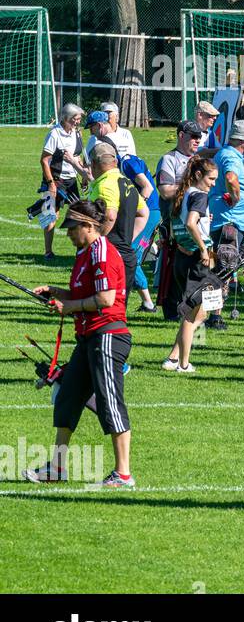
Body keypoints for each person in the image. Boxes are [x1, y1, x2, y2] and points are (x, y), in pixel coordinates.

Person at [25, 200, 134, 487]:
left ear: (88, 225)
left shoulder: (101, 253)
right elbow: (82, 294)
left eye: (73, 228)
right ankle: (57, 468)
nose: (69, 233)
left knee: (110, 403)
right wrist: (55, 291)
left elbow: (105, 300)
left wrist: (69, 307)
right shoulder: (85, 253)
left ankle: (123, 473)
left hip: (108, 335)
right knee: (67, 398)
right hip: (88, 337)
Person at [163, 158, 219, 374]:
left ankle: (173, 357)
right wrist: (204, 248)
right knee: (192, 315)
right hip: (197, 259)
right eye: (211, 179)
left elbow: (181, 223)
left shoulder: (184, 193)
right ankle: (183, 364)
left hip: (182, 258)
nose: (213, 183)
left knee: (200, 313)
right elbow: (190, 223)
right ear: (198, 176)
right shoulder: (199, 195)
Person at [205, 119, 244, 331]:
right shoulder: (230, 156)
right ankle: (214, 316)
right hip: (230, 221)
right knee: (224, 267)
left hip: (230, 220)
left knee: (222, 266)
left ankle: (212, 314)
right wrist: (235, 198)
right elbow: (231, 178)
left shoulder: (228, 154)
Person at [87, 144, 145, 306]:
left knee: (105, 308)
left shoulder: (105, 184)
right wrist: (128, 239)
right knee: (119, 308)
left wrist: (95, 242)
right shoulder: (126, 182)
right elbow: (143, 213)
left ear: (94, 164)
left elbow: (110, 216)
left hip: (109, 257)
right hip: (126, 254)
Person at [155, 121, 202, 320]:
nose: (197, 140)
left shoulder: (199, 159)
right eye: (193, 136)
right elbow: (165, 191)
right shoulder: (169, 159)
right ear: (181, 135)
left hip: (195, 225)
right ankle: (172, 310)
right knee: (172, 269)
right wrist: (190, 187)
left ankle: (193, 310)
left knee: (196, 269)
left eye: (199, 136)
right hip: (174, 225)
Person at [37, 103, 92, 258]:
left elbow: (77, 157)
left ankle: (80, 250)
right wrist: (50, 183)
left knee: (79, 213)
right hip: (55, 179)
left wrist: (83, 176)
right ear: (67, 118)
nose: (78, 121)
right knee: (50, 215)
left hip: (71, 180)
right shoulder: (54, 134)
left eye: (79, 118)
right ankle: (48, 252)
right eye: (76, 118)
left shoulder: (77, 133)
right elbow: (44, 160)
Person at [118, 147, 160, 312]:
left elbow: (147, 187)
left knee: (129, 254)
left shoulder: (127, 162)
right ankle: (147, 302)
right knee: (133, 254)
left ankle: (148, 303)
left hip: (148, 213)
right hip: (151, 213)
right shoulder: (127, 162)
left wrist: (136, 208)